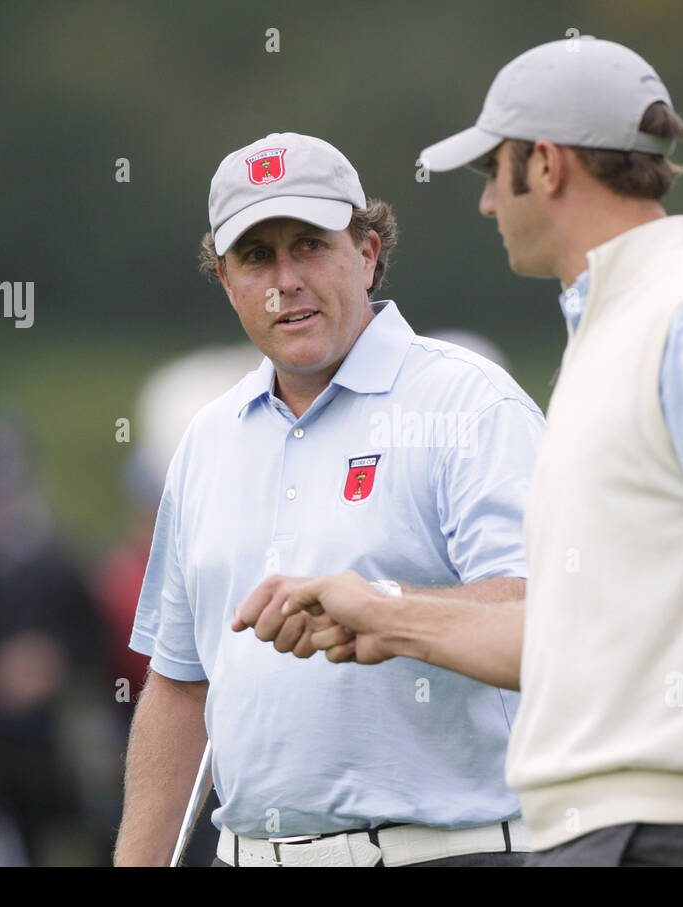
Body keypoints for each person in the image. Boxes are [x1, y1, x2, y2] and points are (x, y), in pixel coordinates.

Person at [267, 38, 683, 866]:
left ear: (550, 166)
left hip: (670, 831)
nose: (489, 203)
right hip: (601, 830)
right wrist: (387, 617)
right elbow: (569, 636)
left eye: (495, 171)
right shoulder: (616, 333)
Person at [114, 132, 545, 867]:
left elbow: (546, 616)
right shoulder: (207, 439)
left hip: (449, 853)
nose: (286, 279)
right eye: (257, 257)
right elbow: (180, 688)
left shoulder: (470, 404)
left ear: (368, 253)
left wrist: (381, 606)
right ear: (224, 279)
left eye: (310, 246)